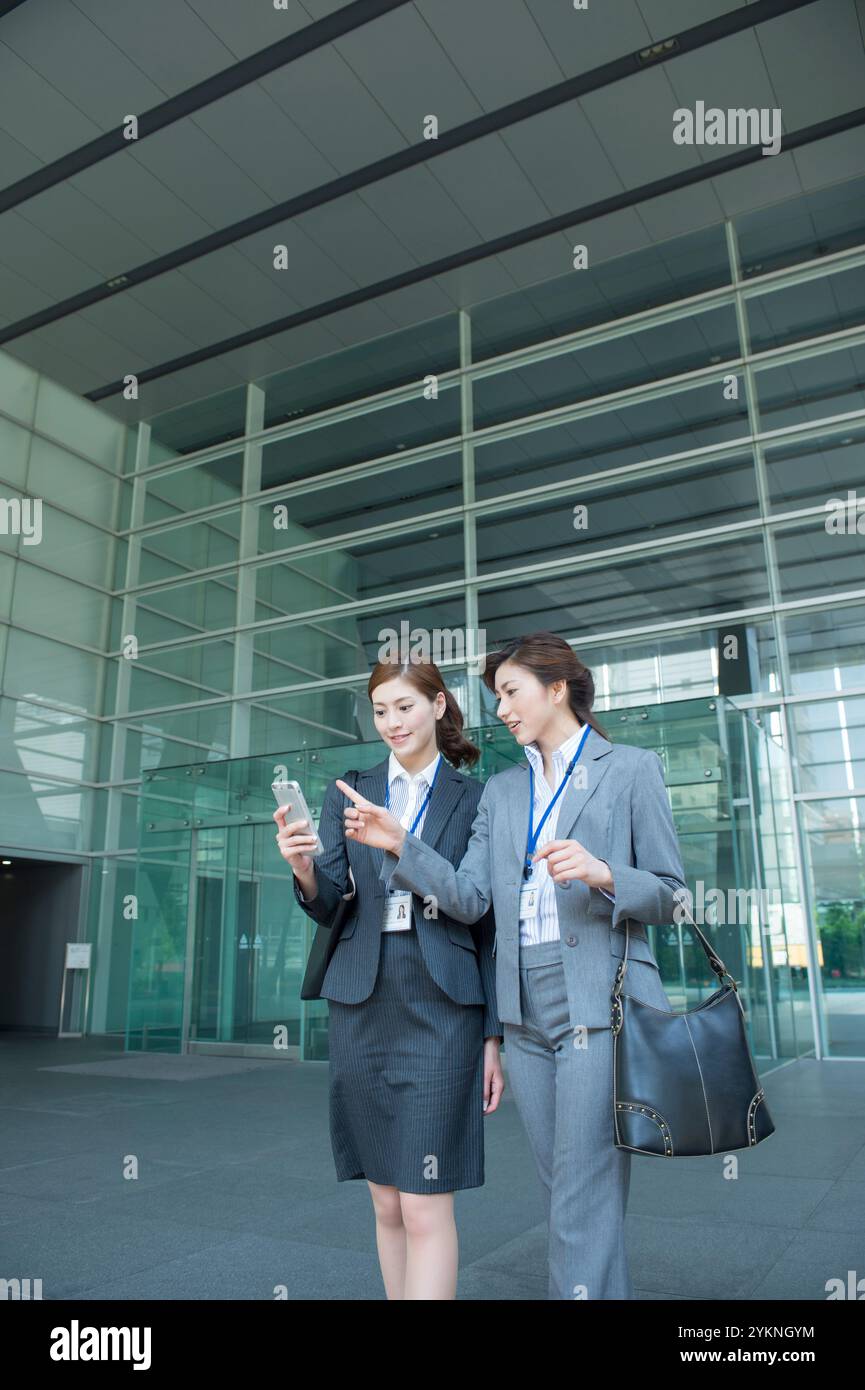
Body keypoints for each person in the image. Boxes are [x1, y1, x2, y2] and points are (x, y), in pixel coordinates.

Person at [336, 631, 688, 1300]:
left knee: (583, 1181)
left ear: (556, 689)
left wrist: (605, 873)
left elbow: (672, 895)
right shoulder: (502, 792)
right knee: (566, 1183)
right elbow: (469, 900)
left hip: (593, 995)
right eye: (495, 695)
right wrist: (398, 844)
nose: (500, 708)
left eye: (510, 691)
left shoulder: (630, 769)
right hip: (520, 1002)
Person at [274, 658, 504, 1300]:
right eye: (380, 711)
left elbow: (480, 913)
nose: (392, 722)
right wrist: (304, 871)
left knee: (426, 1203)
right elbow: (331, 905)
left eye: (405, 706)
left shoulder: (476, 797)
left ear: (438, 705)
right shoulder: (349, 786)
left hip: (441, 1006)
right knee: (385, 1202)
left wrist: (492, 1038)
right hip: (362, 1002)